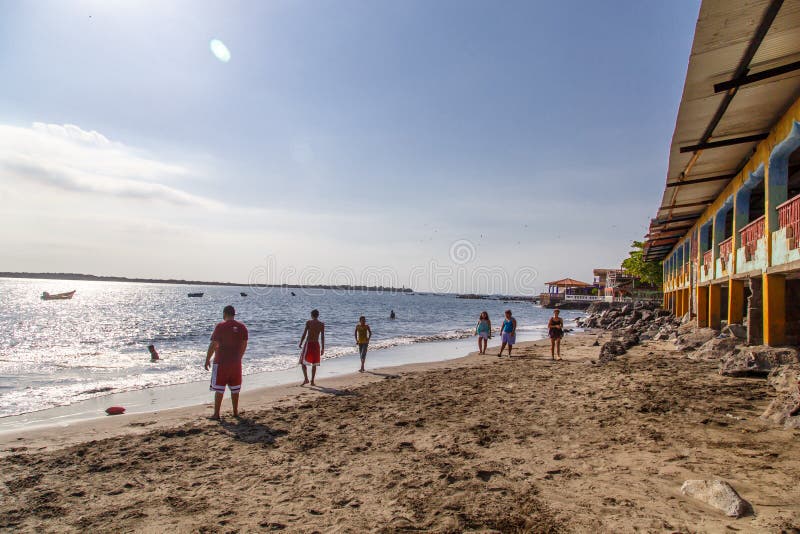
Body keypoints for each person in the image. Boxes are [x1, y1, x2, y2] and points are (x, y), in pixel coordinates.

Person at [204, 305, 248, 420]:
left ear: (224, 314)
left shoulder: (220, 326)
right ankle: (235, 412)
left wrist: (207, 359)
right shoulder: (242, 327)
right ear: (234, 314)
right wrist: (239, 357)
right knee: (235, 389)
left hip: (221, 362)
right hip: (235, 363)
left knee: (219, 388)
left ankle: (216, 414)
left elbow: (213, 344)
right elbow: (244, 345)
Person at [299, 309, 325, 386]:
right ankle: (312, 381)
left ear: (311, 315)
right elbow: (322, 337)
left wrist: (301, 342)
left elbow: (304, 334)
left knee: (302, 362)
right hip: (316, 344)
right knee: (314, 363)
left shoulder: (309, 322)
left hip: (308, 344)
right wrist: (323, 348)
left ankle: (306, 379)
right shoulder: (321, 324)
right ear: (318, 315)